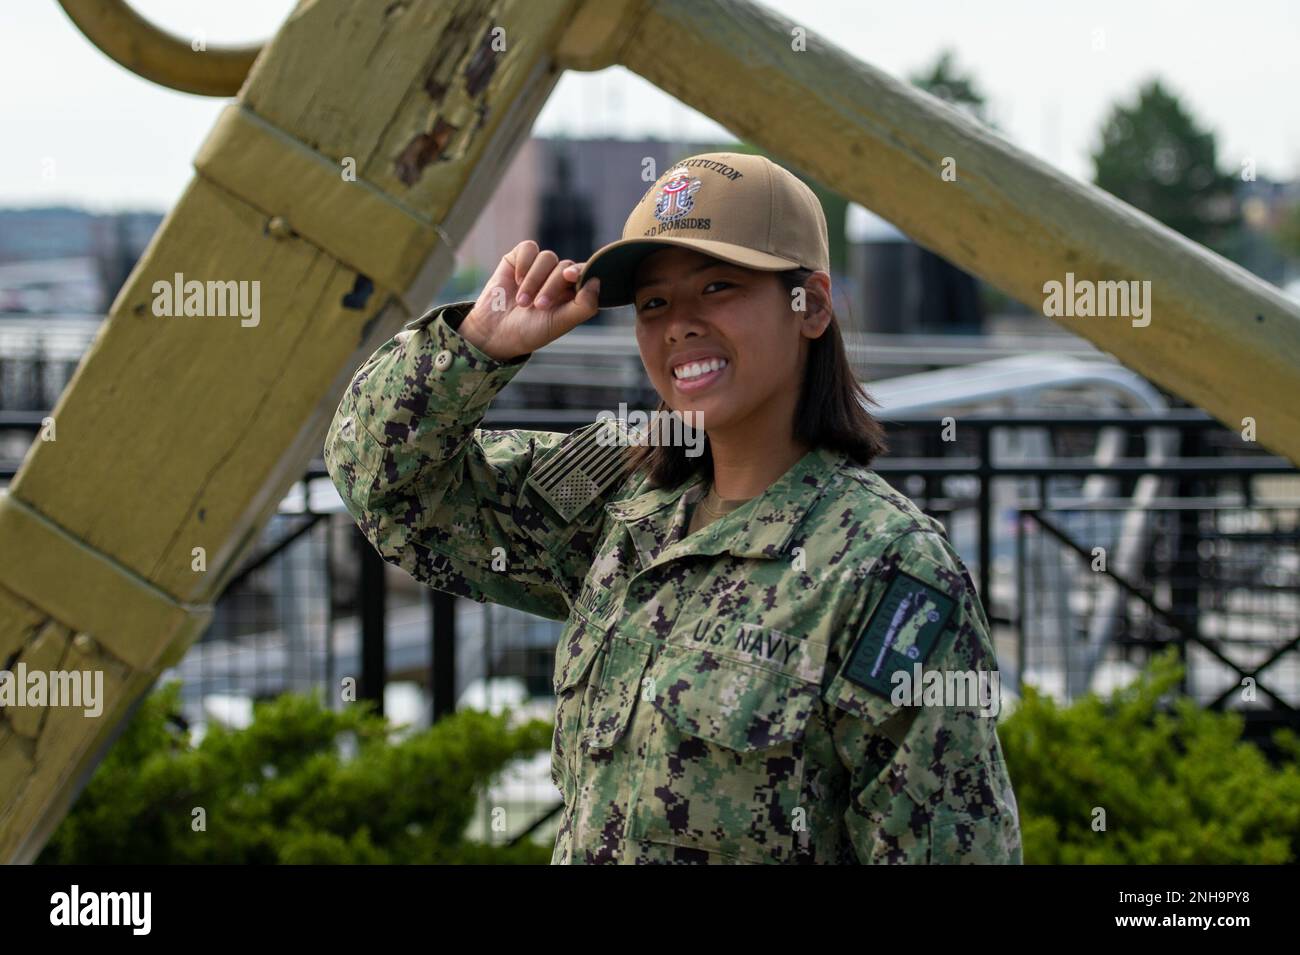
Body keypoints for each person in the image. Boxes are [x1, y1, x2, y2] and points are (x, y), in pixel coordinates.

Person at [324, 151, 1022, 864]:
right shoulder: (622, 502)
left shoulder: (885, 567)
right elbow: (390, 488)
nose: (678, 324)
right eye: (654, 302)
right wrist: (475, 349)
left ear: (810, 305)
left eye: (718, 287)